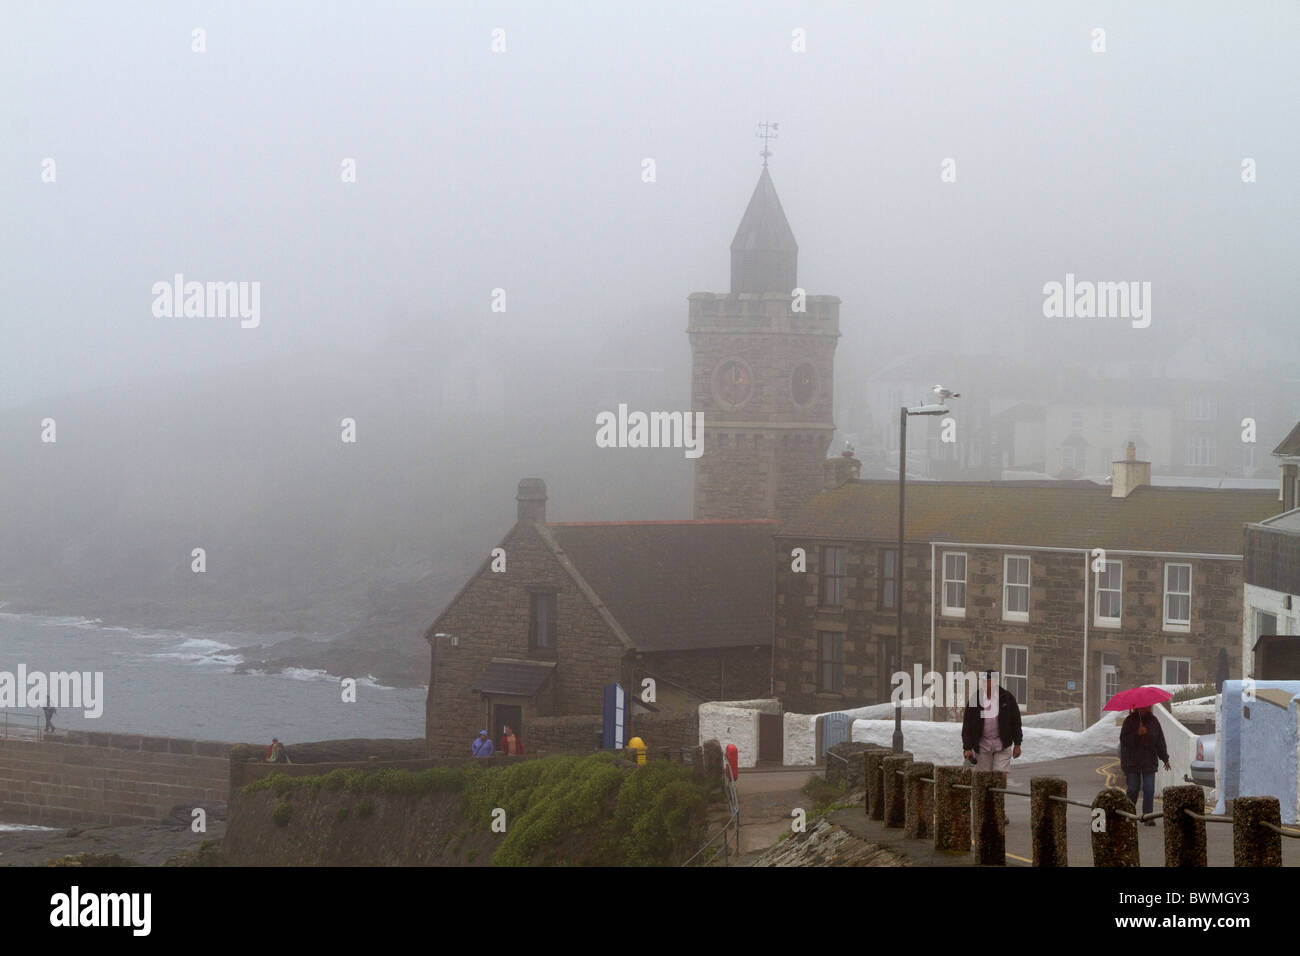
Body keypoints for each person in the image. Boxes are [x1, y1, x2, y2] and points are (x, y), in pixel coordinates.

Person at [961, 670, 1023, 823]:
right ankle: (983, 811)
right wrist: (967, 747)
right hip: (982, 745)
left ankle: (998, 811)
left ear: (994, 682)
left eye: (987, 680)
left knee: (1000, 776)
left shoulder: (1007, 698)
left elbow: (1016, 721)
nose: (984, 684)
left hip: (1002, 744)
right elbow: (967, 724)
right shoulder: (976, 699)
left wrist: (1018, 743)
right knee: (983, 779)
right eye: (982, 681)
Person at [1120, 705, 1171, 826]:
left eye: (1148, 707)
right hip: (1132, 761)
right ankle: (1128, 815)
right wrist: (1137, 734)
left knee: (1149, 789)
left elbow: (1159, 741)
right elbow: (1124, 740)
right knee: (1133, 789)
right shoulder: (1129, 721)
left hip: (1149, 760)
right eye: (1143, 707)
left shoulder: (1154, 721)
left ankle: (1148, 817)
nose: (1146, 709)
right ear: (1138, 708)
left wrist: (1165, 758)